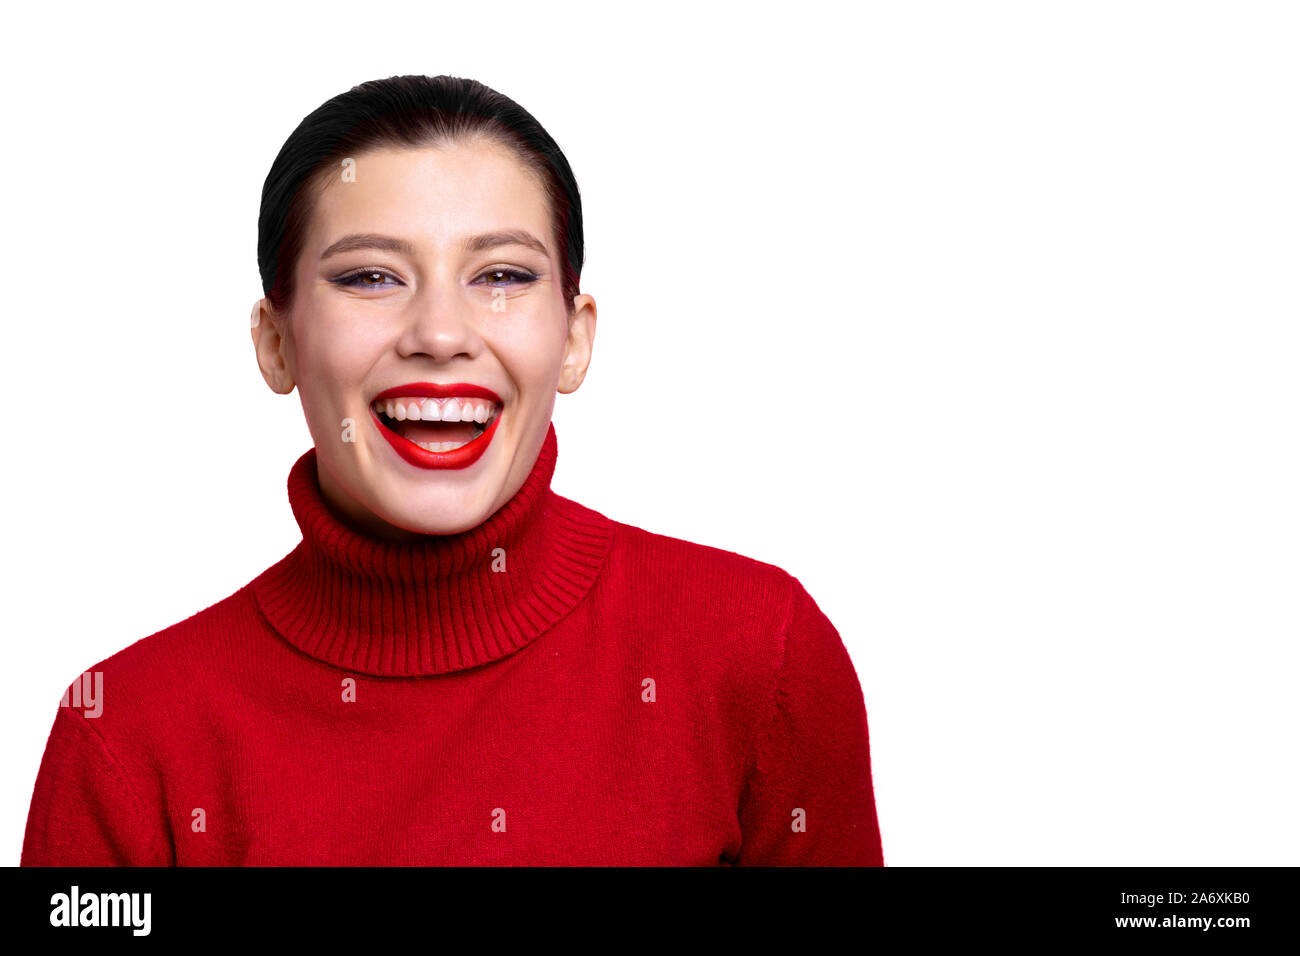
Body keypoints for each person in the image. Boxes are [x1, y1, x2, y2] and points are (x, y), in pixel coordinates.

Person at [21, 74, 884, 866]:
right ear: (275, 341)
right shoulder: (127, 731)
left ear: (575, 337)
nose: (440, 333)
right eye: (369, 276)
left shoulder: (756, 651)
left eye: (501, 275)